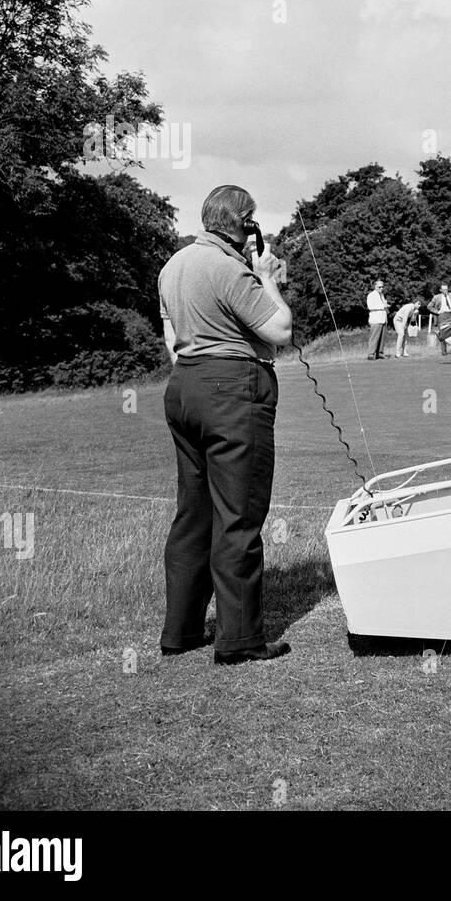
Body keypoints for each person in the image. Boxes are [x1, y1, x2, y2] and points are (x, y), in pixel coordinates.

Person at [157, 184, 293, 665]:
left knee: (193, 514)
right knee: (238, 516)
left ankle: (181, 631)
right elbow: (279, 329)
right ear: (244, 222)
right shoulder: (229, 267)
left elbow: (172, 337)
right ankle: (239, 640)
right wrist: (266, 277)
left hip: (184, 385)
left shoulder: (173, 265)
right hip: (233, 390)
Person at [430, 283, 451, 356]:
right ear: (440, 290)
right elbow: (429, 306)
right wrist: (437, 311)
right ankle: (444, 351)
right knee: (443, 333)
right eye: (444, 289)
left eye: (446, 289)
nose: (445, 290)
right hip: (442, 316)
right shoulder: (436, 297)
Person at [366, 279, 388, 360]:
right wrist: (383, 307)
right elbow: (370, 307)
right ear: (375, 286)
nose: (381, 288)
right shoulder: (371, 295)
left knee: (382, 338)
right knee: (374, 337)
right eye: (379, 287)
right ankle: (371, 354)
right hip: (375, 319)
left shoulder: (382, 295)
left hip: (383, 318)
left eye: (382, 287)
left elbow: (384, 306)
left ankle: (380, 353)